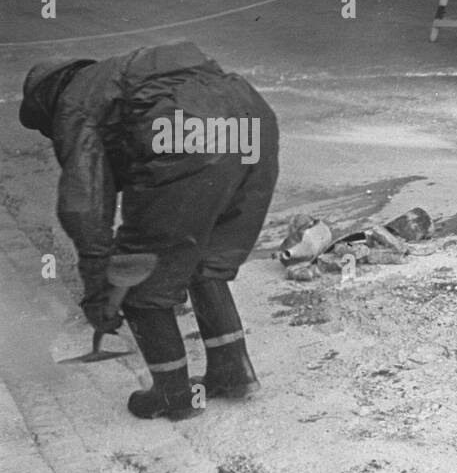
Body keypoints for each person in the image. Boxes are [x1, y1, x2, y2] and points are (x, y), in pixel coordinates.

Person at [18, 41, 279, 420]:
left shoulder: (74, 103)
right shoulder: (115, 79)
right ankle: (232, 371)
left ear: (46, 102)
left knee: (141, 275)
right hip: (252, 121)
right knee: (202, 259)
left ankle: (174, 396)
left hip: (186, 134)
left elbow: (85, 201)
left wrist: (98, 286)